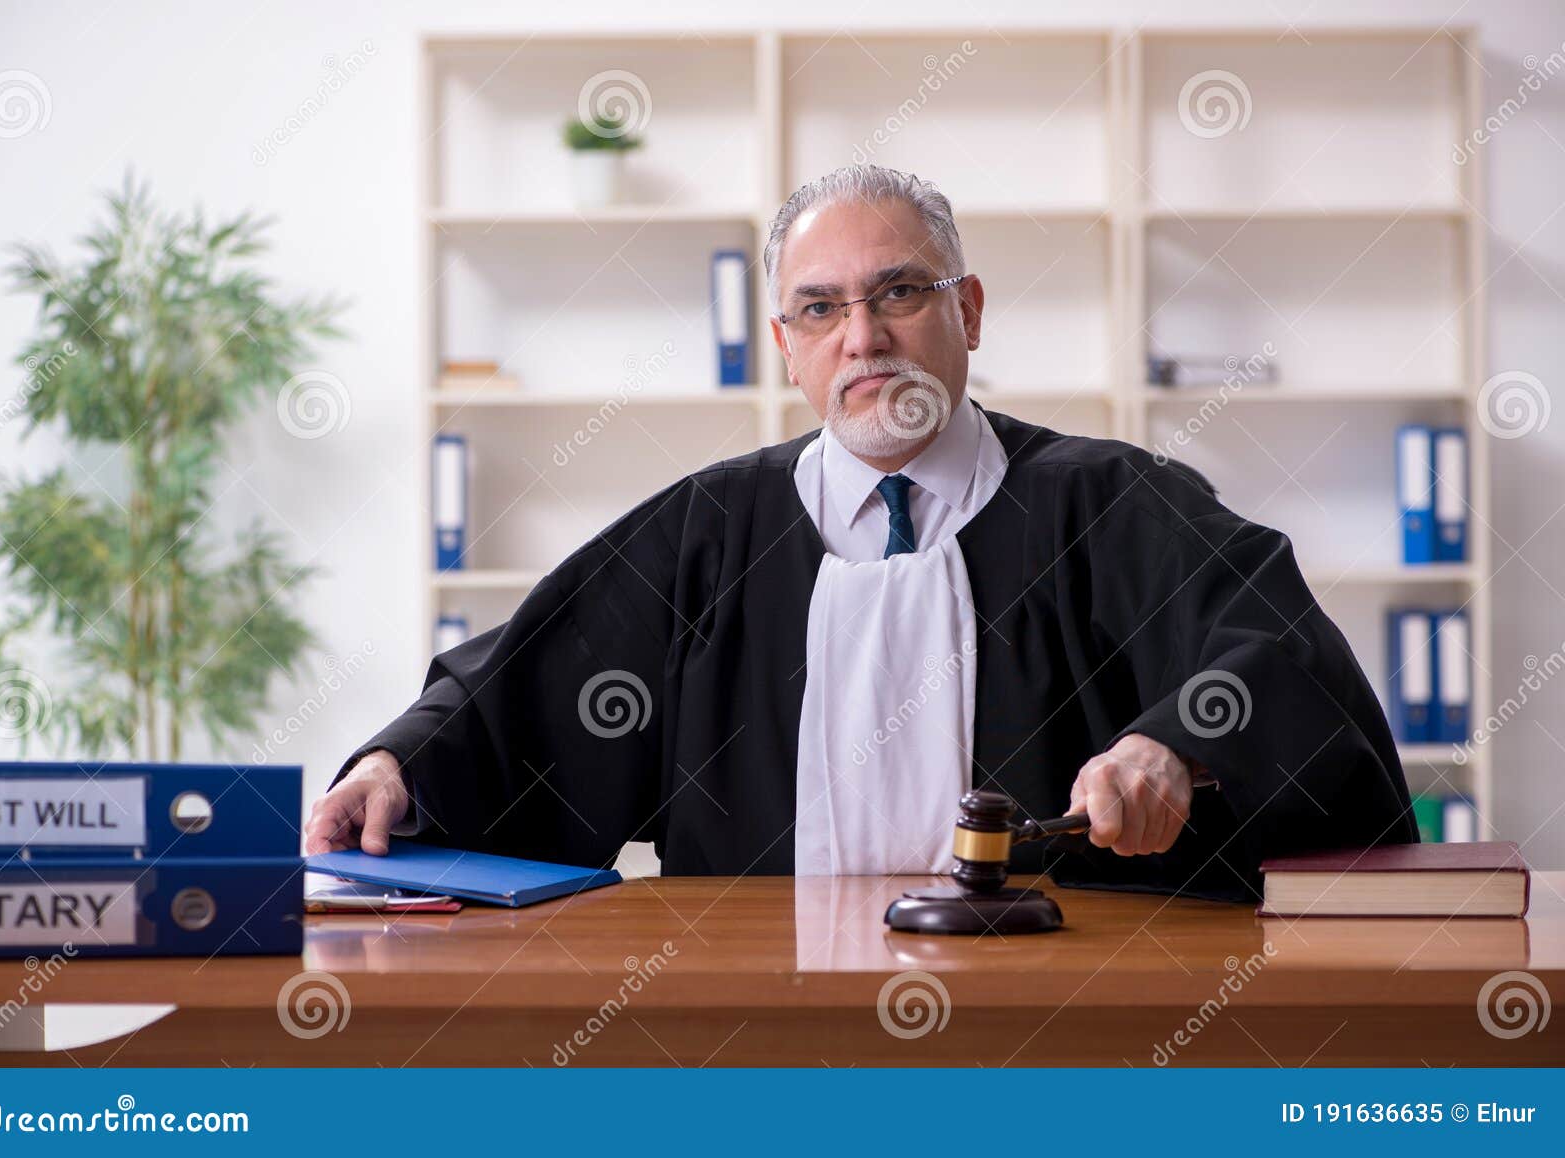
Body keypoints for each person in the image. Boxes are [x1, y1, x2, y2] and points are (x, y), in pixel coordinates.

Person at [304, 165, 1415, 900]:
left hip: (1063, 1020)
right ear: (785, 343)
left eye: (900, 293)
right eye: (821, 308)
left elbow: (1278, 651)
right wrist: (402, 761)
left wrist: (1172, 743)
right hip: (758, 1023)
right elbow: (527, 677)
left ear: (968, 311)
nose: (864, 338)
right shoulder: (707, 530)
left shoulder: (1109, 504)